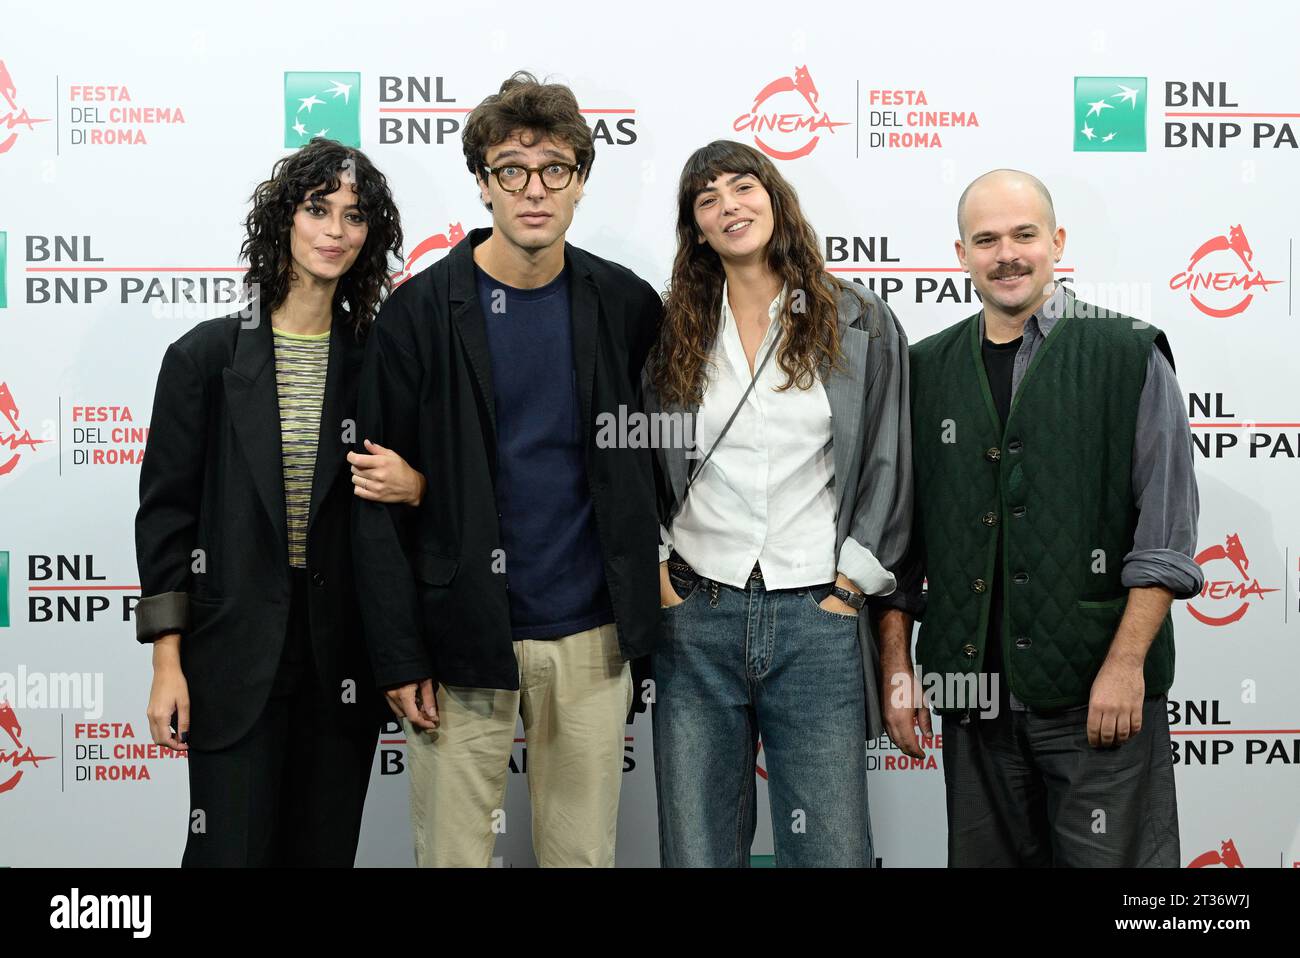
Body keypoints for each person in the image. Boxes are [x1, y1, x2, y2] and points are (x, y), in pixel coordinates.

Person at [352, 72, 662, 867]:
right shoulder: (418, 313)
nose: (535, 188)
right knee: (453, 857)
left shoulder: (624, 304)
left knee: (580, 857)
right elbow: (372, 499)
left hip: (590, 636)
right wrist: (398, 654)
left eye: (555, 168)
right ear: (482, 183)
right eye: (511, 169)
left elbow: (662, 456)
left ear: (582, 182)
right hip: (460, 637)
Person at [881, 168, 1201, 867]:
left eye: (1024, 234)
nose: (1008, 254)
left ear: (1056, 241)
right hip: (973, 707)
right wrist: (898, 667)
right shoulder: (925, 369)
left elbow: (1167, 536)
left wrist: (1125, 667)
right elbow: (900, 546)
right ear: (960, 254)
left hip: (1095, 697)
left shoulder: (1127, 353)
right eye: (986, 239)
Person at [135, 138, 418, 866]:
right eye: (317, 209)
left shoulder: (380, 362)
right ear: (282, 223)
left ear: (370, 236)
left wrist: (418, 486)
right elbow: (167, 517)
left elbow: (415, 501)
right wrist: (167, 660)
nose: (334, 230)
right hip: (231, 656)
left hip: (342, 661)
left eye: (353, 217)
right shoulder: (205, 357)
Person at [645, 139, 912, 867]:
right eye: (708, 199)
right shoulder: (672, 327)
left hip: (816, 616)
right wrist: (660, 573)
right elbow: (634, 460)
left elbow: (889, 459)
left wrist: (851, 586)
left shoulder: (858, 319)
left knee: (831, 850)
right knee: (698, 850)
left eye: (742, 186)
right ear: (695, 227)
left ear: (775, 198)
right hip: (696, 613)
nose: (729, 205)